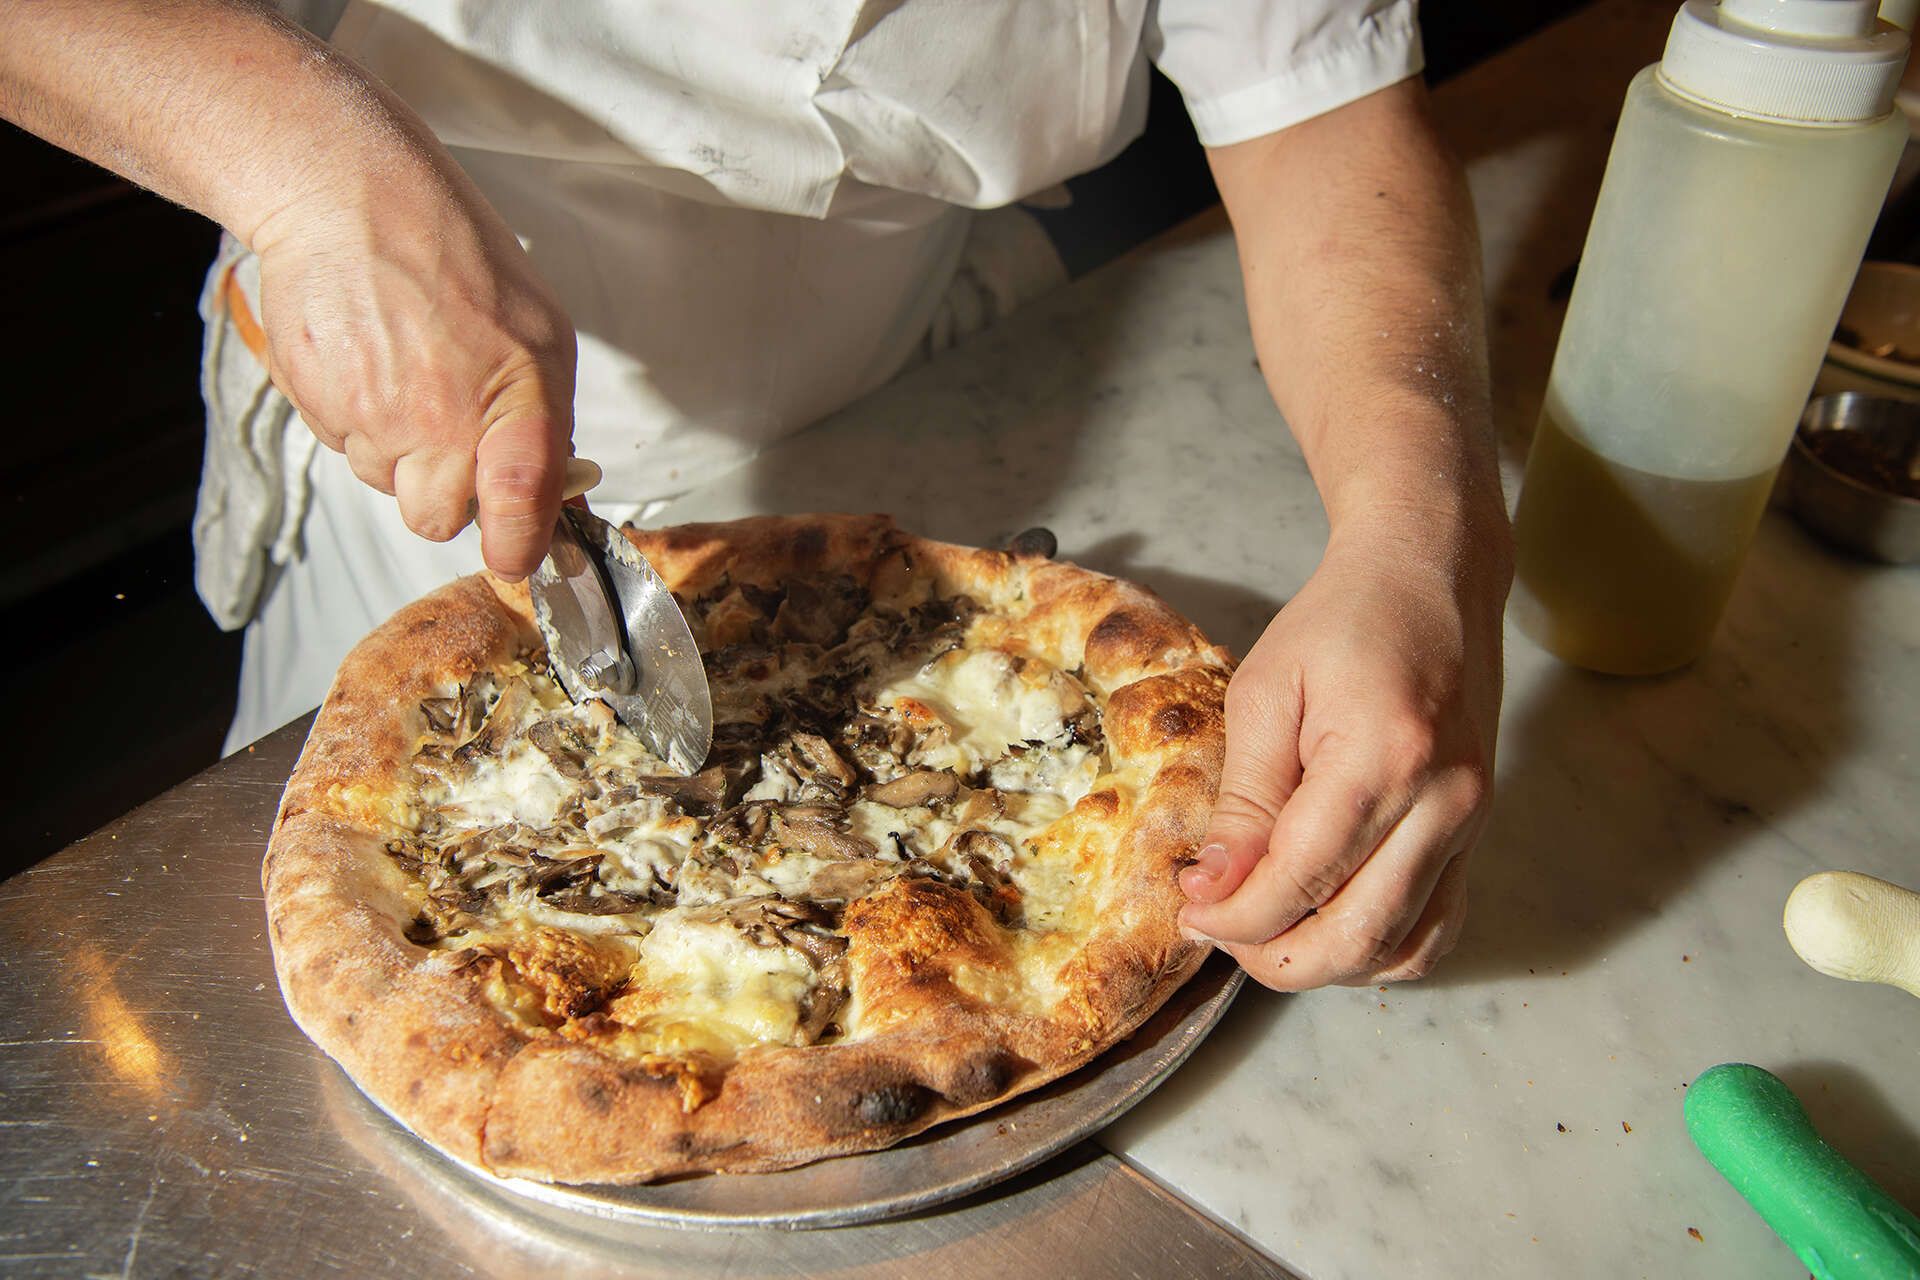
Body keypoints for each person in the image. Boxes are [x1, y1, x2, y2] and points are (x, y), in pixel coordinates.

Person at [0, 0, 1512, 993]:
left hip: (903, 419)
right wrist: (299, 169)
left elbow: (1324, 116)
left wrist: (1420, 545)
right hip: (409, 442)